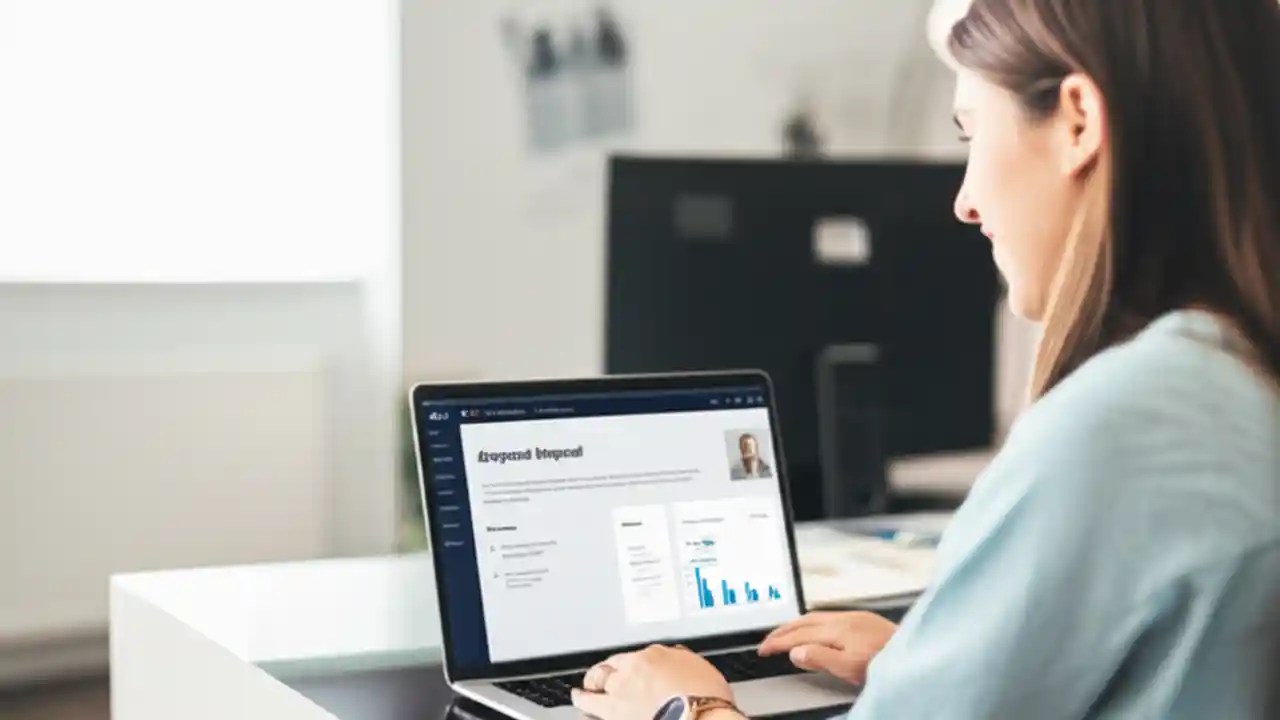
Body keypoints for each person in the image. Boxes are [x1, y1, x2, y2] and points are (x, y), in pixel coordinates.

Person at [571, 1, 1280, 718]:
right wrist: (928, 662)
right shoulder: (1239, 379)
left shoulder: (1125, 423)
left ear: (1076, 122)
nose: (965, 203)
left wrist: (684, 708)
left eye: (972, 131)